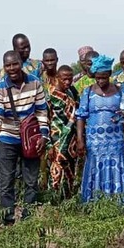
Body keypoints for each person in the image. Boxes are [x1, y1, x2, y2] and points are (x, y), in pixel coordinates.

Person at [0, 50, 50, 223]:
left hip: (31, 140)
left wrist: (44, 135)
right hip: (8, 137)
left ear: (21, 64)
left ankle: (27, 219)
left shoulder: (35, 83)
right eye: (8, 65)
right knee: (7, 181)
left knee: (31, 181)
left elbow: (41, 110)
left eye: (15, 64)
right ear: (4, 67)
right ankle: (8, 219)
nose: (12, 68)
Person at [76, 54, 124, 204]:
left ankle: (116, 203)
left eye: (104, 77)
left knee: (114, 167)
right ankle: (94, 202)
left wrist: (122, 112)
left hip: (115, 141)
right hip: (95, 142)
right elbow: (81, 116)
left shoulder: (120, 91)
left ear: (110, 75)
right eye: (98, 78)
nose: (100, 81)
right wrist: (80, 139)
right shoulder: (88, 91)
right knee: (95, 167)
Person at [46, 65, 80, 199]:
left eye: (70, 79)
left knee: (70, 169)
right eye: (64, 79)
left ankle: (69, 199)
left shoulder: (72, 91)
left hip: (72, 139)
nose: (67, 82)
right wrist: (48, 145)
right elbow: (45, 119)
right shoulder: (50, 95)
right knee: (56, 170)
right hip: (57, 139)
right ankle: (54, 201)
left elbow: (78, 112)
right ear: (57, 78)